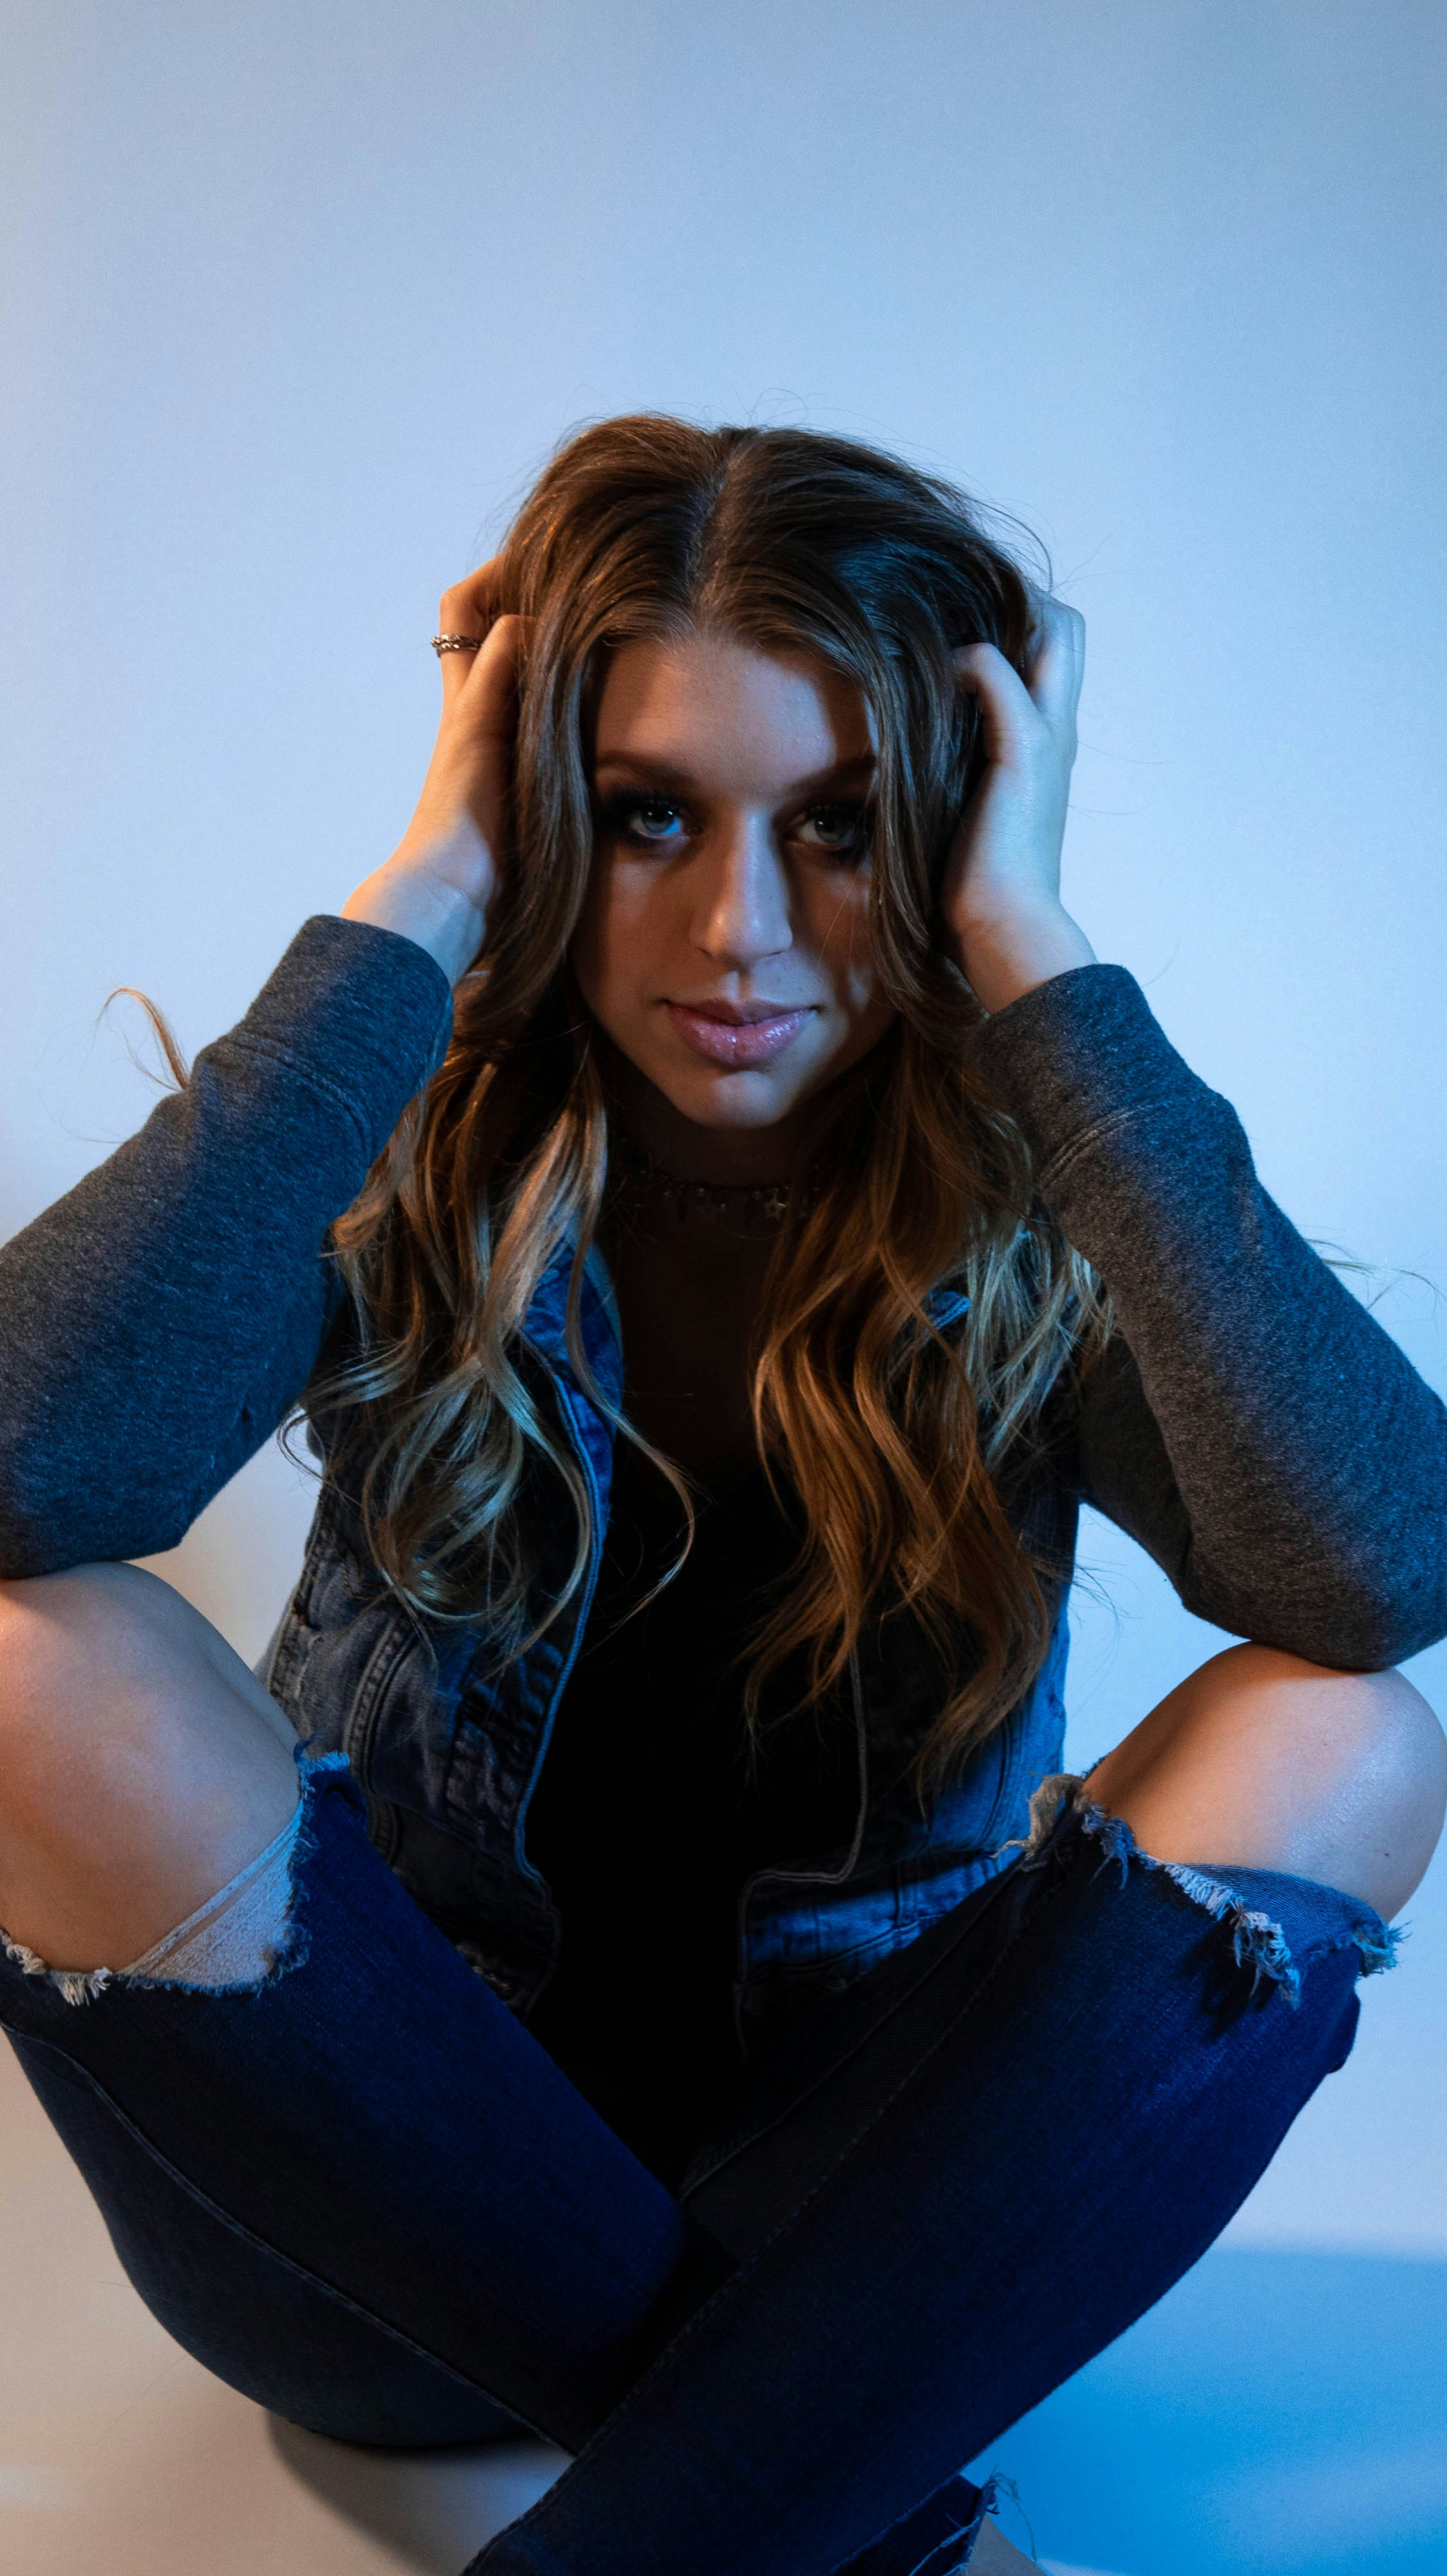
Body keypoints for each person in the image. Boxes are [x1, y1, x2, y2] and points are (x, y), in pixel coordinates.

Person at [0, 416, 1444, 2576]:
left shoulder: (1037, 1214)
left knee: (1341, 1733)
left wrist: (1038, 952)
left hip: (872, 2213)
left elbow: (1373, 1569)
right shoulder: (404, 1148)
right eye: (648, 813)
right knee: (27, 1665)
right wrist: (428, 889)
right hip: (369, 2238)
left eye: (846, 828)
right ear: (549, 809)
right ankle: (813, 2495)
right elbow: (24, 1469)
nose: (736, 930)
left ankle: (686, 2516)